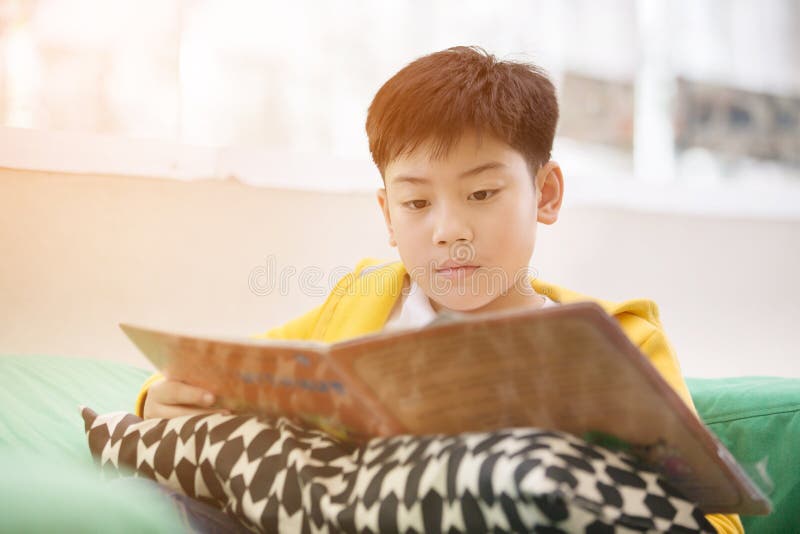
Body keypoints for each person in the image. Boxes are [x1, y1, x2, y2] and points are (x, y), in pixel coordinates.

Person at [135, 46, 743, 533]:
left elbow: (714, 517)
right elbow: (228, 372)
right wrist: (159, 398)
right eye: (417, 202)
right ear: (388, 215)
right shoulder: (363, 297)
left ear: (547, 194)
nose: (449, 230)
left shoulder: (621, 338)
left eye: (481, 194)